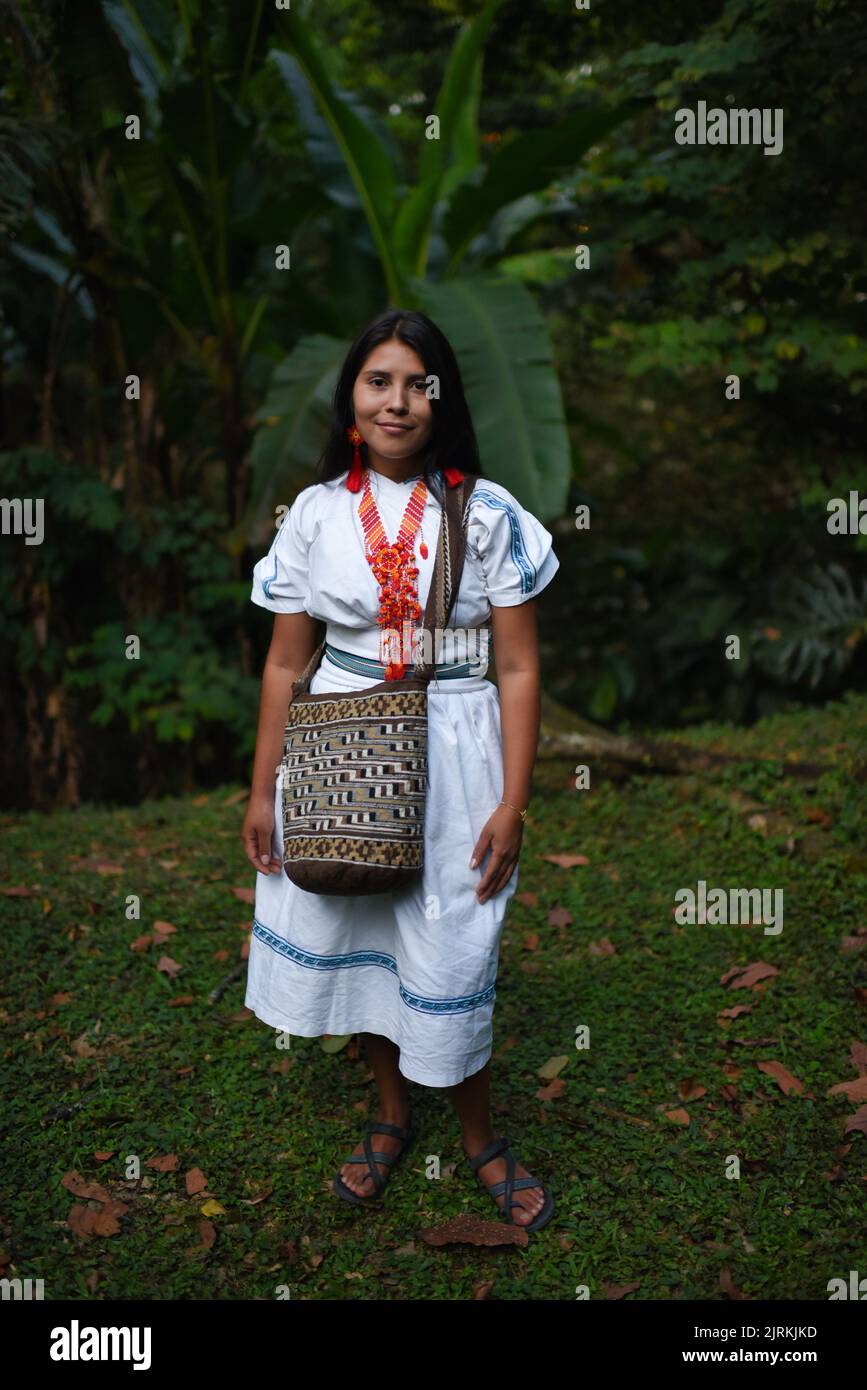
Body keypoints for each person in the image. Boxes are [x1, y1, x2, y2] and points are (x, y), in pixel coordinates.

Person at [241, 308, 560, 1230]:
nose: (398, 400)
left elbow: (518, 666)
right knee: (361, 922)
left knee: (456, 934)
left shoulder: (486, 512)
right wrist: (263, 788)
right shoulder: (314, 514)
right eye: (379, 380)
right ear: (351, 396)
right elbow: (280, 663)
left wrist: (513, 802)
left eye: (418, 383)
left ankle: (479, 1136)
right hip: (341, 741)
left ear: (442, 399)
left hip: (458, 745)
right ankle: (388, 1114)